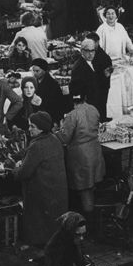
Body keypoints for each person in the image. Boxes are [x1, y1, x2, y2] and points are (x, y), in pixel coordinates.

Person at [15, 111, 68, 246]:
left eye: (32, 126)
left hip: (42, 191)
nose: (29, 129)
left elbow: (23, 173)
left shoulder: (37, 145)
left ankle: (40, 245)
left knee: (40, 223)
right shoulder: (55, 139)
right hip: (57, 189)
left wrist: (16, 167)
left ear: (41, 128)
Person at [57, 92, 105, 215]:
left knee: (85, 189)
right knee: (92, 185)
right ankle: (93, 215)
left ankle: (88, 221)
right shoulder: (93, 109)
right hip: (95, 151)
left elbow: (65, 138)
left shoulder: (72, 115)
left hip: (81, 156)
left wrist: (57, 131)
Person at [69, 38, 113, 121]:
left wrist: (104, 75)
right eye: (87, 51)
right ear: (82, 51)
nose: (91, 54)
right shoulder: (78, 67)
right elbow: (75, 90)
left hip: (95, 104)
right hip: (88, 107)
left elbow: (93, 79)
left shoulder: (91, 62)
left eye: (92, 51)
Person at [31, 58, 73, 124]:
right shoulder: (36, 81)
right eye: (33, 71)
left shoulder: (52, 84)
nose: (35, 73)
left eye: (37, 71)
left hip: (50, 117)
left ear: (44, 70)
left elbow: (54, 105)